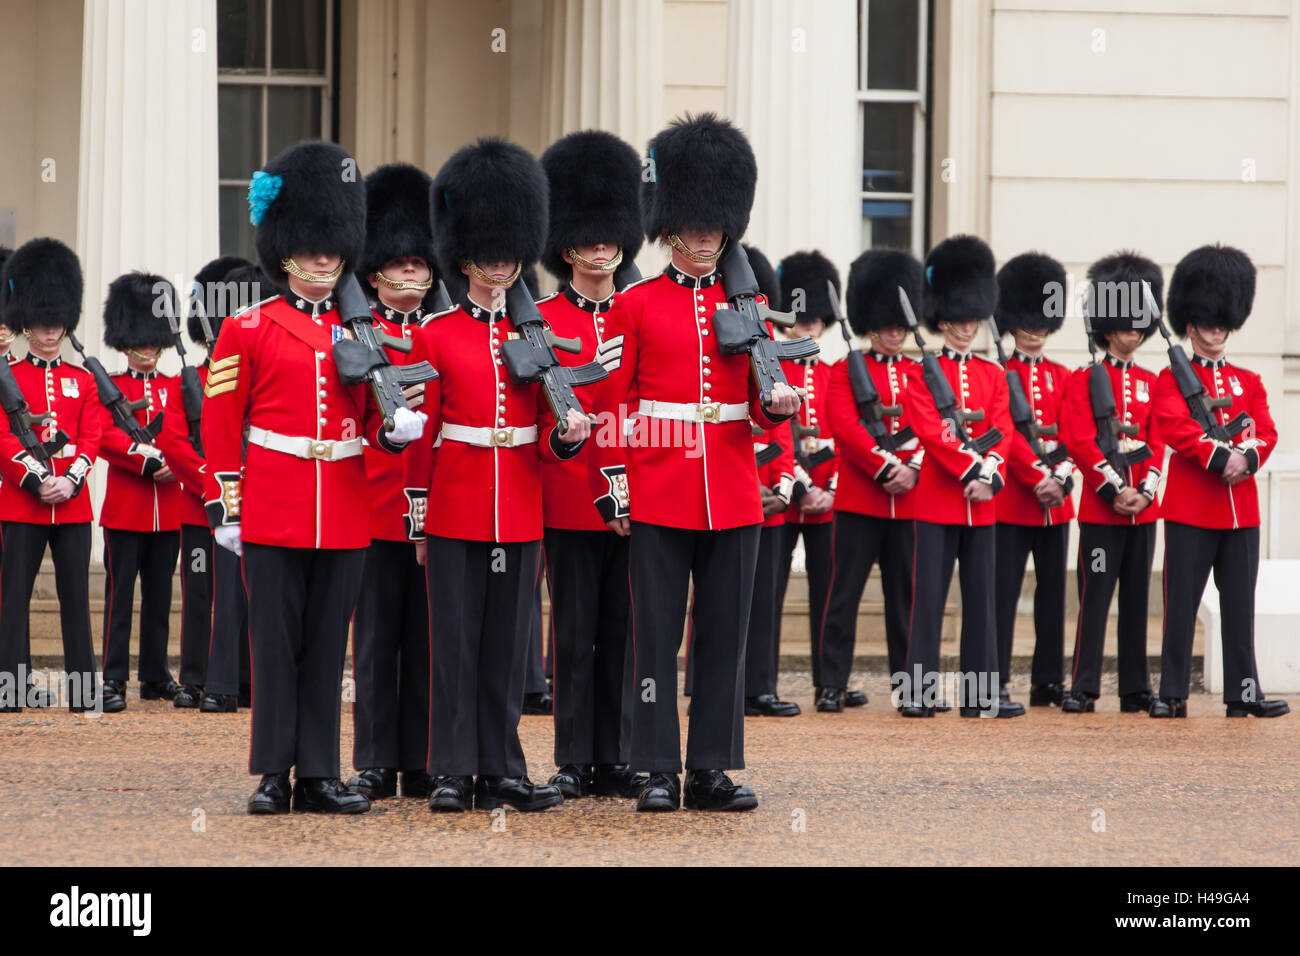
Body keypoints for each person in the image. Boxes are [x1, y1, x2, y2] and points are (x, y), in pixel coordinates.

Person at [203, 140, 425, 815]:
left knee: (330, 647)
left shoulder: (363, 333)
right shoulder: (249, 328)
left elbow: (369, 422)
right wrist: (229, 505)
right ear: (286, 249)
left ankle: (321, 773)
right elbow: (219, 425)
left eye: (334, 246)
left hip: (345, 508)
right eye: (313, 246)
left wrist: (394, 431)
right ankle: (274, 771)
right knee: (274, 645)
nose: (325, 258)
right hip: (273, 504)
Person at [588, 113, 802, 812]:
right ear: (671, 225)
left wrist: (779, 400)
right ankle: (655, 767)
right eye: (696, 221)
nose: (707, 233)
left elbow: (761, 406)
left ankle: (710, 766)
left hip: (733, 489)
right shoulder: (636, 305)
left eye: (716, 221)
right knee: (655, 638)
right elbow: (614, 406)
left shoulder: (749, 305)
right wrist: (618, 483)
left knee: (722, 637)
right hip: (661, 486)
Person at [406, 137, 588, 814]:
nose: (499, 265)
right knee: (454, 644)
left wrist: (568, 439)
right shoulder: (437, 332)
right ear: (466, 257)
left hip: (516, 503)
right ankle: (452, 769)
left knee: (509, 649)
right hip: (455, 504)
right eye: (487, 254)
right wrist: (420, 517)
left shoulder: (537, 336)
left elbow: (549, 429)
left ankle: (503, 768)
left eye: (509, 254)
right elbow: (420, 437)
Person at [536, 129, 647, 799]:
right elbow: (539, 418)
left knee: (627, 634)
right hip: (573, 496)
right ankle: (575, 755)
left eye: (610, 239)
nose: (601, 250)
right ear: (568, 245)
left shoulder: (642, 313)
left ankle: (621, 754)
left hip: (641, 494)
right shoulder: (543, 320)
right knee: (574, 635)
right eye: (589, 239)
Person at [1152, 244, 1288, 719]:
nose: (1215, 327)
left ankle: (1243, 691)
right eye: (1208, 320)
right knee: (1181, 606)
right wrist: (1218, 457)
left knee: (1240, 607)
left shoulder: (1246, 380)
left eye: (1222, 319)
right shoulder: (1169, 380)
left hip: (1240, 511)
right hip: (1192, 510)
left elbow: (1266, 430)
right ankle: (1172, 693)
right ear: (1190, 326)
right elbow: (1174, 427)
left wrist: (1246, 457)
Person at [345, 163, 438, 801]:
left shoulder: (448, 330)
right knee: (377, 639)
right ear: (374, 272)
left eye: (418, 265)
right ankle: (376, 757)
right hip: (375, 501)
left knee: (431, 640)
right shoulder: (356, 335)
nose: (409, 275)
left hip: (437, 503)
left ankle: (425, 755)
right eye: (398, 265)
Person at [899, 235, 1020, 718]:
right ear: (942, 320)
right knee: (928, 599)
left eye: (973, 319)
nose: (967, 327)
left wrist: (989, 474)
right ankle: (919, 693)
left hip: (983, 499)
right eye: (958, 320)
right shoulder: (920, 373)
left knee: (982, 600)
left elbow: (1003, 427)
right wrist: (971, 466)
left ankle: (979, 695)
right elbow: (929, 431)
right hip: (938, 498)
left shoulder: (992, 374)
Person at [1059, 252, 1164, 715]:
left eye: (1137, 325)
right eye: (1125, 326)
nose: (1133, 333)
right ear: (1106, 328)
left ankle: (1136, 687)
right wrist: (1112, 489)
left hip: (1144, 509)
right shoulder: (1085, 379)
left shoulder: (1152, 380)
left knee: (1138, 600)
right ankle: (1084, 686)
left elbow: (1158, 439)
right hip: (1104, 512)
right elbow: (1078, 439)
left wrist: (1146, 489)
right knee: (1095, 598)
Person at [0, 238, 102, 713]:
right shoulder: (11, 376)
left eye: (56, 321)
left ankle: (83, 689)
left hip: (73, 503)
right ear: (27, 324)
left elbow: (92, 435)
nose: (49, 329)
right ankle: (11, 687)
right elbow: (4, 438)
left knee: (76, 600)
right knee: (14, 599)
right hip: (24, 501)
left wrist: (72, 478)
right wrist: (38, 477)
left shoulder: (82, 379)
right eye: (41, 322)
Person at [819, 249, 923, 710]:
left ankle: (911, 687)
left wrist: (913, 467)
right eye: (887, 324)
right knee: (843, 597)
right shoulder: (845, 370)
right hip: (862, 499)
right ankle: (831, 683)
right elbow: (844, 425)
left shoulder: (920, 372)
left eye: (901, 324)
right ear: (871, 324)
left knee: (906, 601)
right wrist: (886, 466)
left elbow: (930, 423)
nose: (895, 332)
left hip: (911, 501)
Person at [157, 257, 257, 712]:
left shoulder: (255, 381)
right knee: (200, 594)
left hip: (255, 505)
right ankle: (196, 677)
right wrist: (214, 484)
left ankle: (245, 677)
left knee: (249, 595)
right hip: (202, 509)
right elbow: (175, 443)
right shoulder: (189, 380)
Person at [991, 253, 1077, 709]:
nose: (1036, 329)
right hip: (1014, 502)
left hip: (1055, 502)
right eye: (1028, 320)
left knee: (1052, 597)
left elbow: (1074, 433)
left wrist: (1059, 478)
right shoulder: (998, 375)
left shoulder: (1063, 377)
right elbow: (1004, 435)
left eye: (1042, 320)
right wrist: (1037, 475)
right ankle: (998, 678)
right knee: (1003, 594)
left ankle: (1048, 680)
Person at [96, 272, 184, 713]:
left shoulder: (173, 387)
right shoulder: (111, 387)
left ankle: (154, 674)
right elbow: (104, 437)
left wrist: (176, 462)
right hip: (125, 510)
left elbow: (186, 435)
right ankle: (113, 677)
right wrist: (148, 459)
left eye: (154, 343)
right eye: (142, 343)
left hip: (168, 510)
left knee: (160, 597)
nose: (148, 351)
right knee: (120, 596)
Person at [773, 250, 843, 712]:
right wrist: (801, 485)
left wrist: (830, 488)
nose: (809, 326)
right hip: (784, 494)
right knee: (769, 594)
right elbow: (773, 433)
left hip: (827, 497)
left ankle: (830, 683)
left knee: (830, 592)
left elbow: (843, 432)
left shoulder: (836, 374)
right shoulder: (775, 365)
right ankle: (762, 683)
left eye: (817, 319)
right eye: (802, 318)